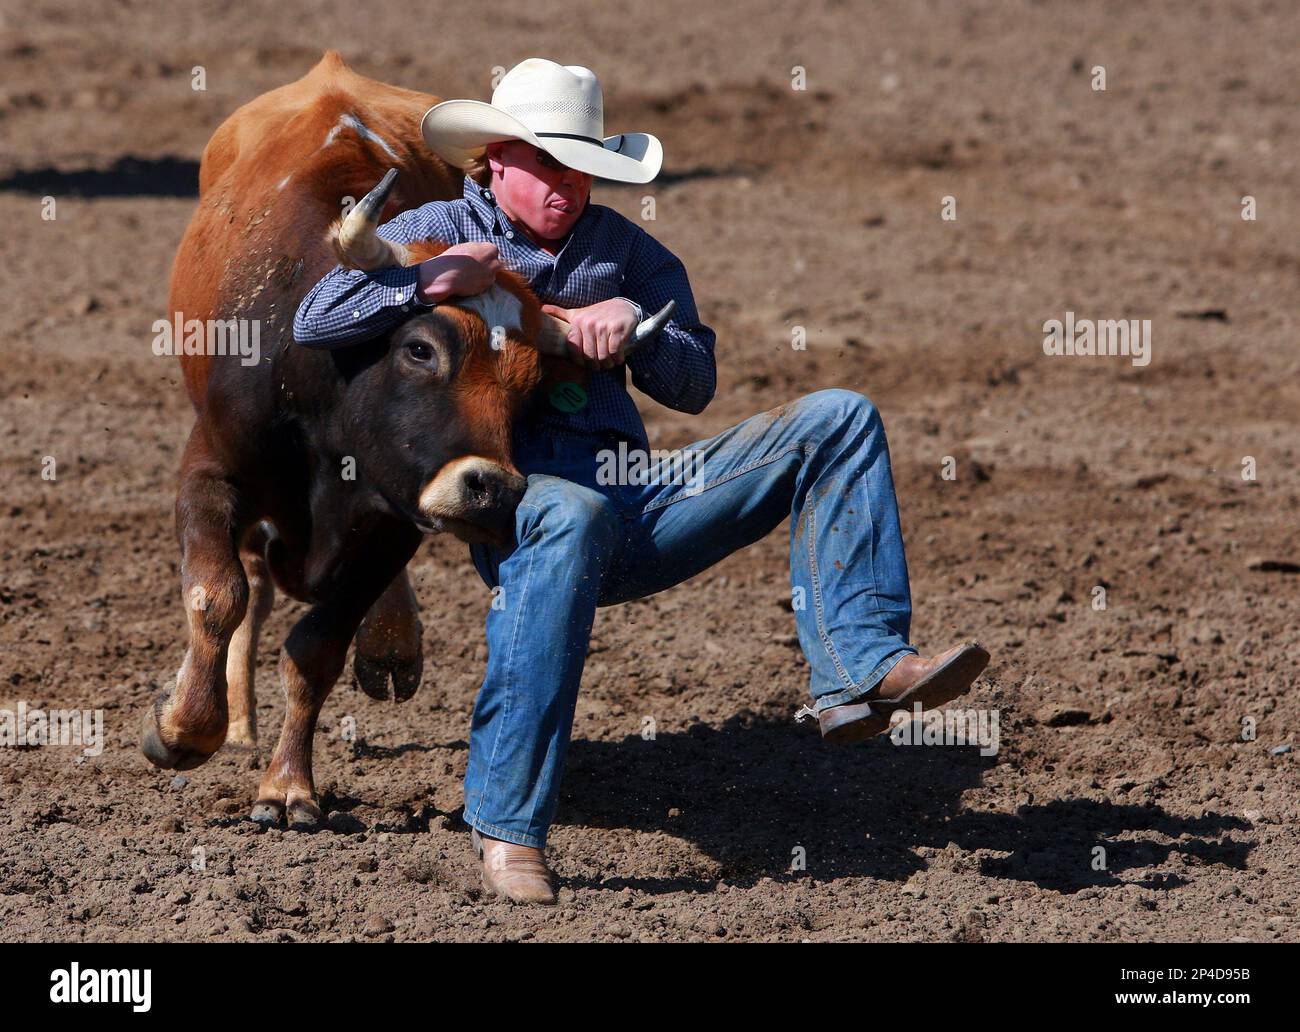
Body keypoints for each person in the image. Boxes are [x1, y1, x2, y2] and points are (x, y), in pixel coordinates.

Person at [294, 58, 990, 904]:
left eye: (582, 167)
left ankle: (863, 666)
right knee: (576, 513)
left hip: (641, 496)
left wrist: (638, 331)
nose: (568, 185)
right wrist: (432, 280)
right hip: (522, 499)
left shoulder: (625, 249)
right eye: (549, 164)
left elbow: (694, 385)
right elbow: (314, 319)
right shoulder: (438, 223)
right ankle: (509, 828)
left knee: (839, 415)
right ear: (497, 157)